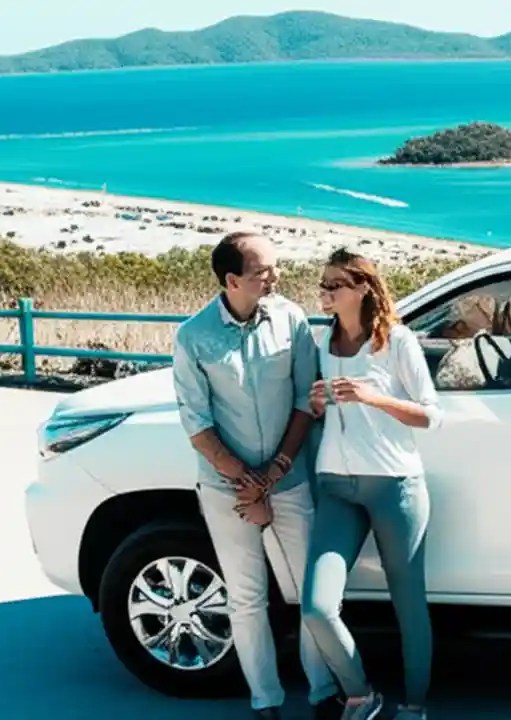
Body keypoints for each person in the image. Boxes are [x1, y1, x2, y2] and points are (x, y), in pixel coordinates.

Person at [171, 231, 344, 719]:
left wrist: (275, 472)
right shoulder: (192, 337)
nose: (275, 276)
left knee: (311, 591)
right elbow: (198, 426)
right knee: (247, 597)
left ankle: (322, 691)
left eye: (274, 266)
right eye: (263, 270)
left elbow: (303, 400)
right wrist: (247, 482)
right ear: (232, 280)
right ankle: (265, 701)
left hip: (287, 478)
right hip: (228, 487)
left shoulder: (290, 320)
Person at [301, 247, 443, 720]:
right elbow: (318, 413)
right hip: (336, 485)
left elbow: (430, 416)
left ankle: (415, 705)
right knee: (317, 607)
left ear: (362, 287)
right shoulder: (322, 341)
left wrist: (371, 397)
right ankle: (360, 694)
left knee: (409, 606)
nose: (325, 293)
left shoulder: (396, 341)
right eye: (323, 285)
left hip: (395, 485)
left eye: (334, 285)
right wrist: (319, 404)